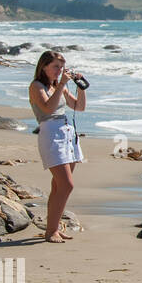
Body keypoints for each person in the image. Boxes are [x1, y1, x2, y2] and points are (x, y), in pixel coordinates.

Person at [28, 51, 86, 243]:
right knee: (66, 185)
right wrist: (61, 84)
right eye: (55, 67)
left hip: (68, 134)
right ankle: (51, 230)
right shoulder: (36, 87)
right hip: (51, 133)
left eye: (61, 67)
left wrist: (81, 88)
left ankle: (53, 229)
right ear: (43, 66)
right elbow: (47, 109)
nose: (59, 71)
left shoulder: (56, 86)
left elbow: (79, 107)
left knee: (58, 186)